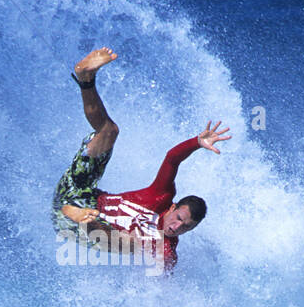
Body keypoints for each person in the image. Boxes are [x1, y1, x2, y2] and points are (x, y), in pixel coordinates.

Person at [51, 47, 228, 272]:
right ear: (172, 207)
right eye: (179, 217)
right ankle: (86, 78)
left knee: (136, 244)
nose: (176, 226)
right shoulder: (160, 195)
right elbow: (172, 159)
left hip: (73, 226)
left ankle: (87, 219)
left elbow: (162, 287)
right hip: (75, 193)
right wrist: (196, 142)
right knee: (109, 131)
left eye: (185, 227)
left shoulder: (166, 250)